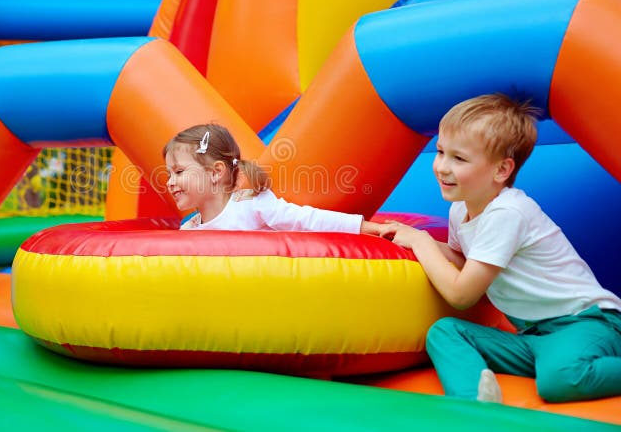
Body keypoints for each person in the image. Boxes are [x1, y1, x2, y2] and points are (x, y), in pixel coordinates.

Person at [380, 93, 621, 404]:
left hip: (583, 323)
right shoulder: (461, 208)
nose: (441, 167)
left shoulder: (508, 213)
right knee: (445, 332)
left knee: (561, 380)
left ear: (501, 170)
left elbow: (462, 295)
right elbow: (465, 260)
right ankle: (477, 403)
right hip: (533, 338)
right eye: (440, 152)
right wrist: (407, 236)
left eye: (459, 158)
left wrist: (421, 241)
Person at [163, 123, 388, 235]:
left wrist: (368, 228)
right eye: (168, 174)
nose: (169, 182)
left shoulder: (251, 206)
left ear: (215, 172)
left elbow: (306, 220)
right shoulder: (189, 230)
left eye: (179, 172)